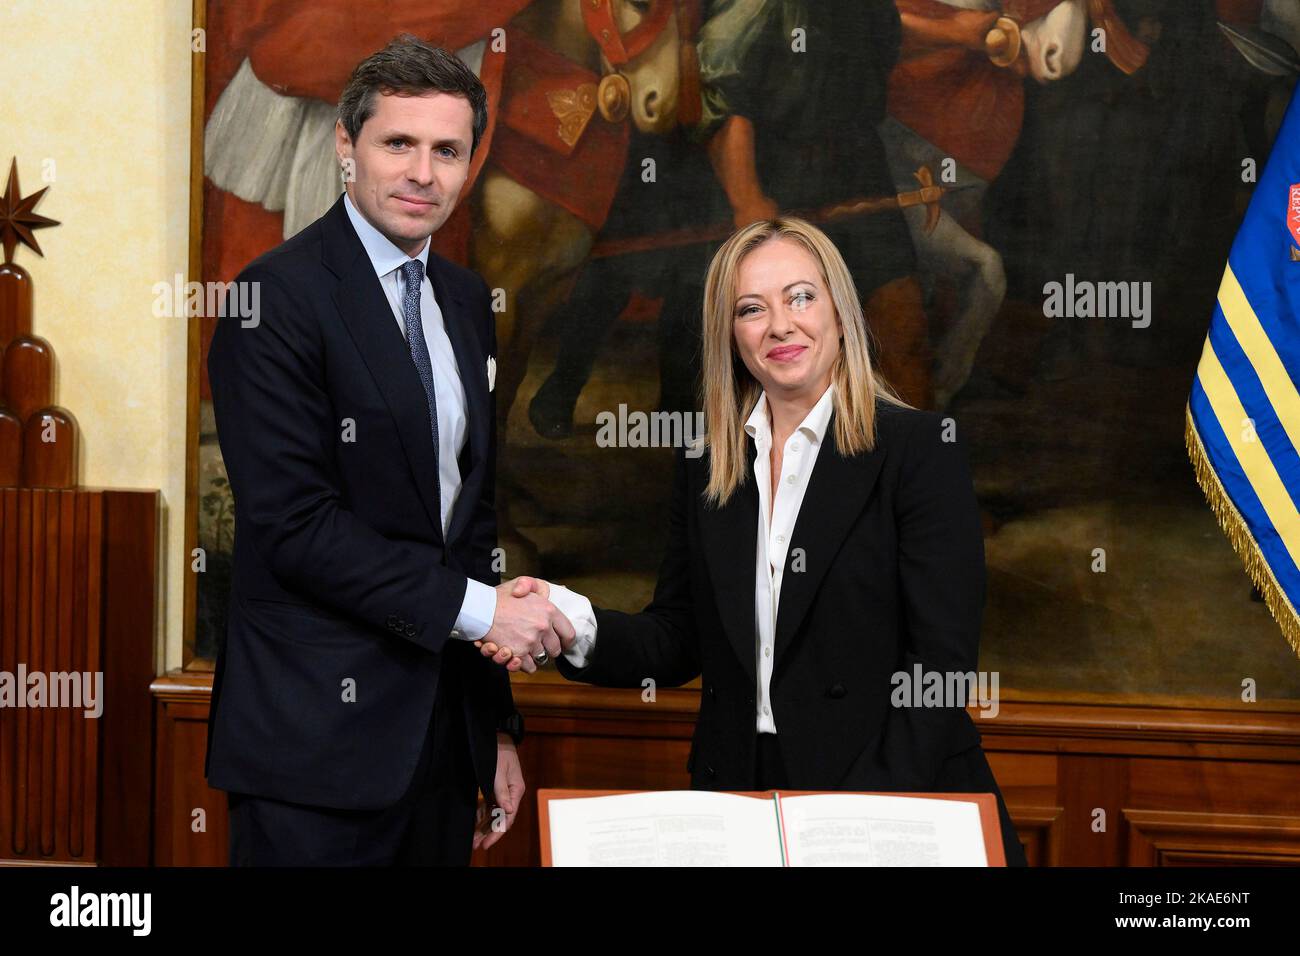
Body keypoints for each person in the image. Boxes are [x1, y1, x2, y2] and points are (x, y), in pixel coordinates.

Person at [483, 216, 1027, 866]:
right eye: (751, 308)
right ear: (729, 331)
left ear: (839, 308)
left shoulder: (918, 452)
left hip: (892, 804)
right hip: (741, 801)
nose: (780, 325)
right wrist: (571, 623)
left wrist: (854, 824)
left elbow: (939, 673)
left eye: (801, 296)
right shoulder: (711, 459)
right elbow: (679, 637)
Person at [204, 34, 573, 866]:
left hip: (441, 748)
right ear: (346, 144)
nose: (423, 173)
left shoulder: (466, 298)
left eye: (447, 150)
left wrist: (494, 729)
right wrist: (486, 613)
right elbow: (295, 525)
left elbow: (464, 530)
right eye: (397, 143)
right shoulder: (276, 297)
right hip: (313, 750)